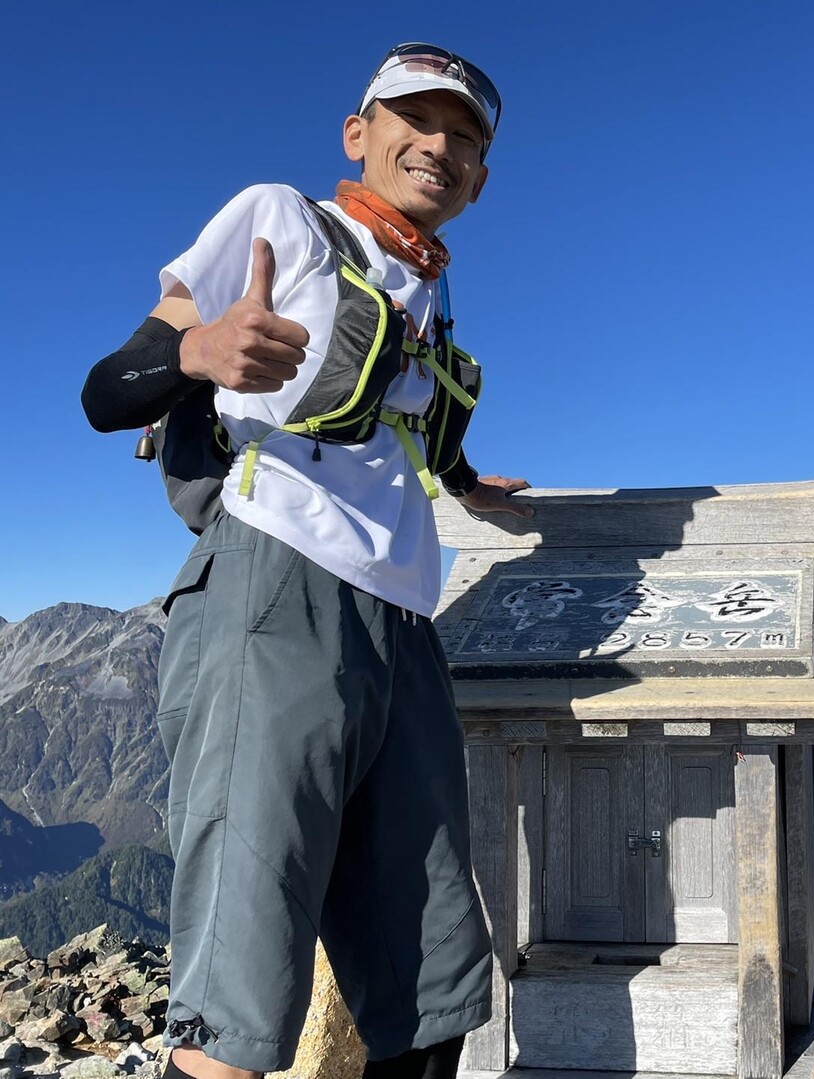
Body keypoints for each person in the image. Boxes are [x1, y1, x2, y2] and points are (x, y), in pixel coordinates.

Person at [81, 43, 532, 1079]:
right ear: (357, 134)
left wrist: (466, 484)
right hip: (273, 587)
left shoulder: (428, 287)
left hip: (401, 619)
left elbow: (394, 421)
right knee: (239, 982)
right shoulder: (278, 218)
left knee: (432, 976)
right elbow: (106, 389)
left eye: (464, 137)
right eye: (416, 120)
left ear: (480, 177)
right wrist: (196, 354)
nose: (439, 147)